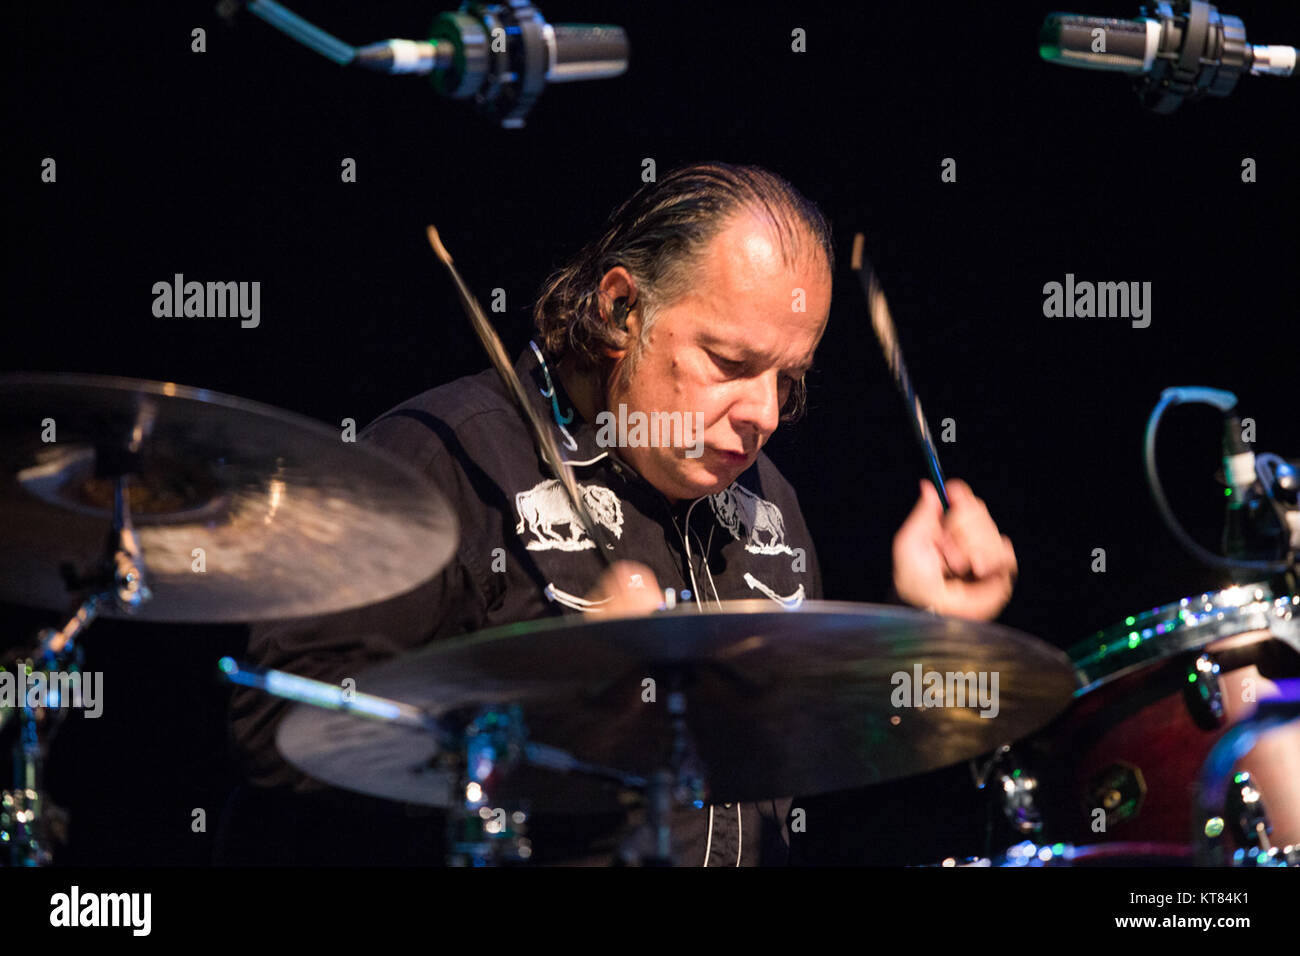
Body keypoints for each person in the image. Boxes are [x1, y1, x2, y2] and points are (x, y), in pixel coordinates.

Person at [219, 161, 1017, 866]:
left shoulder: (768, 505)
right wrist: (557, 694)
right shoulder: (444, 460)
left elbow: (801, 780)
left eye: (790, 377)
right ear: (621, 308)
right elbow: (276, 727)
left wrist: (925, 640)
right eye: (731, 364)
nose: (766, 413)